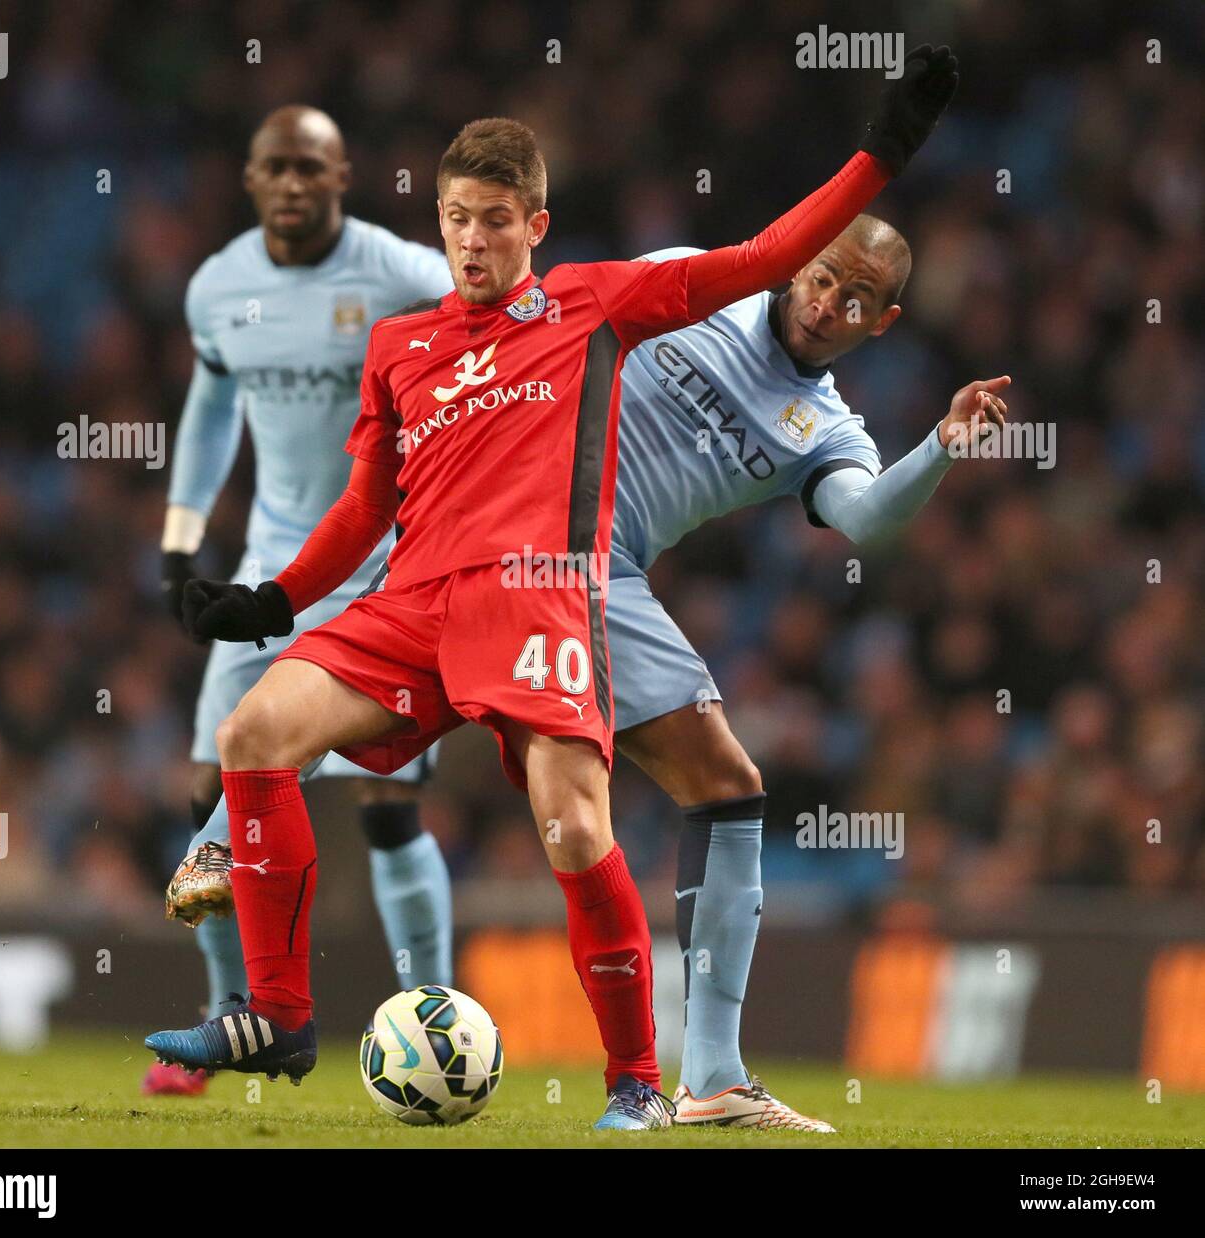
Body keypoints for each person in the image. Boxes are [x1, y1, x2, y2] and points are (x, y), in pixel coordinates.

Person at [145, 46, 959, 1131]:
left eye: (493, 220)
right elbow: (361, 510)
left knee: (574, 829)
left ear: (534, 223)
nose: (472, 242)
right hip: (412, 600)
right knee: (252, 732)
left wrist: (880, 155)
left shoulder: (595, 304)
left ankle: (636, 1081)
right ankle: (277, 1016)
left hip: (536, 598)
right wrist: (274, 601)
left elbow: (768, 251)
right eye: (455, 220)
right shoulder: (400, 346)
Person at [144, 104, 453, 1097]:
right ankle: (227, 1014)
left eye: (310, 169)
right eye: (275, 166)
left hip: (385, 566)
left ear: (342, 175)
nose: (292, 184)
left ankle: (436, 1015)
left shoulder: (404, 274)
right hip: (270, 566)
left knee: (386, 801)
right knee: (210, 781)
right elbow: (211, 402)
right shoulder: (218, 285)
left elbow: (489, 354)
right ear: (249, 177)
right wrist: (181, 533)